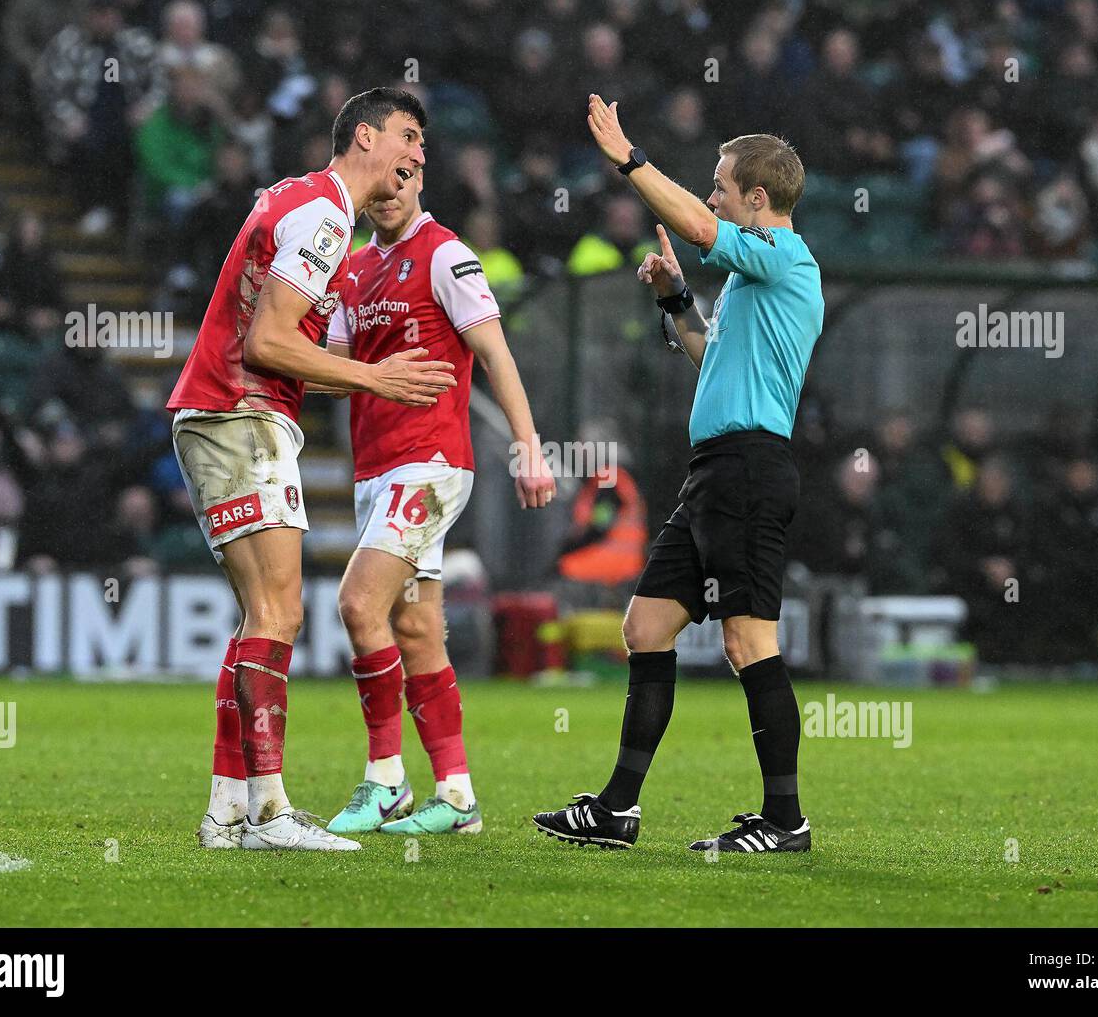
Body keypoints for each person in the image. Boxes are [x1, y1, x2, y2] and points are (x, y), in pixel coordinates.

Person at [167, 87, 457, 852]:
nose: (419, 154)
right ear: (364, 137)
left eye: (423, 145)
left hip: (230, 412)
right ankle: (270, 814)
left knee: (257, 622)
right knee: (278, 615)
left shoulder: (299, 199)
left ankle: (228, 811)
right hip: (240, 412)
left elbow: (283, 344)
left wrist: (365, 372)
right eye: (407, 136)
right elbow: (267, 342)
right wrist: (378, 379)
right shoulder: (326, 215)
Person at [533, 95, 824, 853]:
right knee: (646, 626)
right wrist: (675, 303)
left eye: (722, 186)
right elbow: (710, 358)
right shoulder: (752, 280)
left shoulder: (787, 257)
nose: (713, 197)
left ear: (757, 200)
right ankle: (618, 810)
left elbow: (698, 228)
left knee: (748, 642)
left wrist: (629, 158)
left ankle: (786, 821)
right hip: (716, 474)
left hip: (751, 471)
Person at [323, 170, 555, 838]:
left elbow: (494, 352)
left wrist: (528, 446)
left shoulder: (446, 254)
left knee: (356, 603)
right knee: (418, 631)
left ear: (421, 181)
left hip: (430, 465)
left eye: (405, 176)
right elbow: (336, 375)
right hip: (376, 470)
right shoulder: (352, 271)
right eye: (380, 180)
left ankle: (386, 779)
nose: (391, 189)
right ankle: (457, 797)